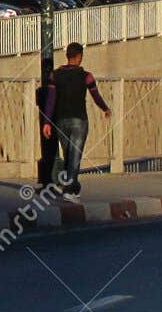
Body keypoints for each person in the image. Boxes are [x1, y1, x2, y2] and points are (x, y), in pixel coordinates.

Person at [41, 42, 112, 196]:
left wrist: (47, 122)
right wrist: (105, 108)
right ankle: (70, 188)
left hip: (61, 121)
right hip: (79, 120)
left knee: (69, 155)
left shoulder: (55, 75)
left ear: (67, 56)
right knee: (75, 155)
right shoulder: (86, 76)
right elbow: (95, 95)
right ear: (79, 57)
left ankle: (73, 185)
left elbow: (51, 100)